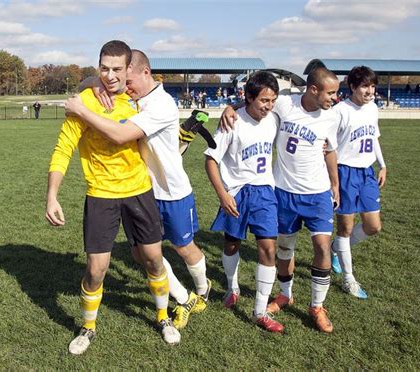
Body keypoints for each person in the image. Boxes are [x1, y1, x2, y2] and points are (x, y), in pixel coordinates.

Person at [46, 41, 179, 355]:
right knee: (95, 269)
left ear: (128, 69)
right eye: (103, 68)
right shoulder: (85, 101)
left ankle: (163, 317)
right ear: (98, 67)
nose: (109, 75)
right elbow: (62, 150)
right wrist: (52, 195)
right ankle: (88, 326)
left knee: (154, 260)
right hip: (101, 195)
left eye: (117, 69)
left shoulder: (140, 101)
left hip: (139, 192)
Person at [65, 49, 211, 331]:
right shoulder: (133, 98)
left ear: (146, 73)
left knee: (183, 247)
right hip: (140, 190)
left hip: (171, 190)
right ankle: (185, 298)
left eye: (128, 81)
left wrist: (82, 109)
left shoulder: (161, 104)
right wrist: (94, 85)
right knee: (141, 254)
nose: (125, 87)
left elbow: (120, 135)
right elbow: (87, 82)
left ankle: (203, 290)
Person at [221, 67, 340, 333]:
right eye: (331, 92)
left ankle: (317, 306)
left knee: (322, 246)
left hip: (318, 192)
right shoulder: (284, 104)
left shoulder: (333, 117)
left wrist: (335, 183)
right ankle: (285, 294)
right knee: (284, 249)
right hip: (283, 191)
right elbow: (258, 99)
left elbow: (330, 150)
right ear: (313, 89)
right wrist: (231, 106)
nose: (334, 98)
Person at [205, 71, 284, 333]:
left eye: (272, 100)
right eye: (263, 100)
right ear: (249, 97)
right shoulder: (232, 122)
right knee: (231, 244)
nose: (268, 106)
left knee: (269, 249)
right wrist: (223, 195)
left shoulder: (274, 119)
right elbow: (211, 161)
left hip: (264, 193)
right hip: (236, 192)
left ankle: (259, 311)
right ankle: (232, 286)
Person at [330, 67, 388, 299]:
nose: (370, 91)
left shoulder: (373, 108)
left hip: (366, 173)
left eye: (373, 86)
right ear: (353, 87)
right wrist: (333, 178)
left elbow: (373, 138)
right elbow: (329, 146)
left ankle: (335, 249)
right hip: (345, 173)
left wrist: (382, 165)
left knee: (373, 226)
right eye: (365, 86)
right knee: (345, 228)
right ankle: (348, 279)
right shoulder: (340, 111)